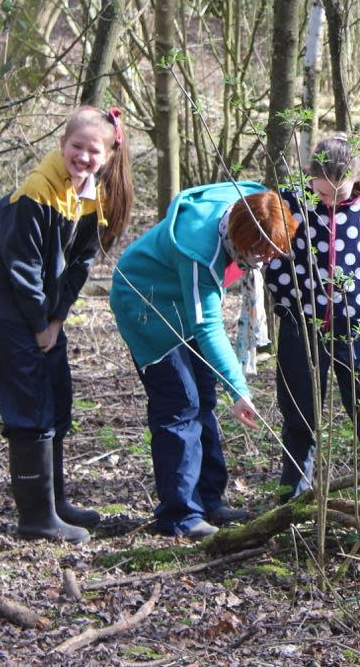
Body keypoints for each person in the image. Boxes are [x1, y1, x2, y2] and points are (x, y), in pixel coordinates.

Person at [0, 106, 132, 544]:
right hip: (10, 309)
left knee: (56, 397)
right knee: (29, 404)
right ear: (63, 145)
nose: (83, 157)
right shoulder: (36, 192)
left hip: (45, 312)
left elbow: (80, 262)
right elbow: (22, 268)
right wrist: (40, 324)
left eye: (92, 150)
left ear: (107, 155)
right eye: (76, 147)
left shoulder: (89, 195)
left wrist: (58, 319)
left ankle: (55, 502)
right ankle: (36, 518)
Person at [110, 184, 297, 539]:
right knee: (180, 404)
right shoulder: (199, 252)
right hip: (147, 303)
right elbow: (207, 325)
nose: (266, 261)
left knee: (204, 399)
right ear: (240, 239)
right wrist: (239, 389)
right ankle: (180, 514)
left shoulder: (254, 201)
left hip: (181, 298)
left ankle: (209, 500)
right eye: (261, 253)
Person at [265, 137, 360, 501]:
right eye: (322, 193)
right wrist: (285, 298)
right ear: (310, 178)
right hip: (302, 326)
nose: (329, 202)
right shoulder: (293, 201)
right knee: (299, 411)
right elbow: (274, 249)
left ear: (355, 178)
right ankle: (293, 494)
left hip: (357, 326)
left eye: (337, 195)